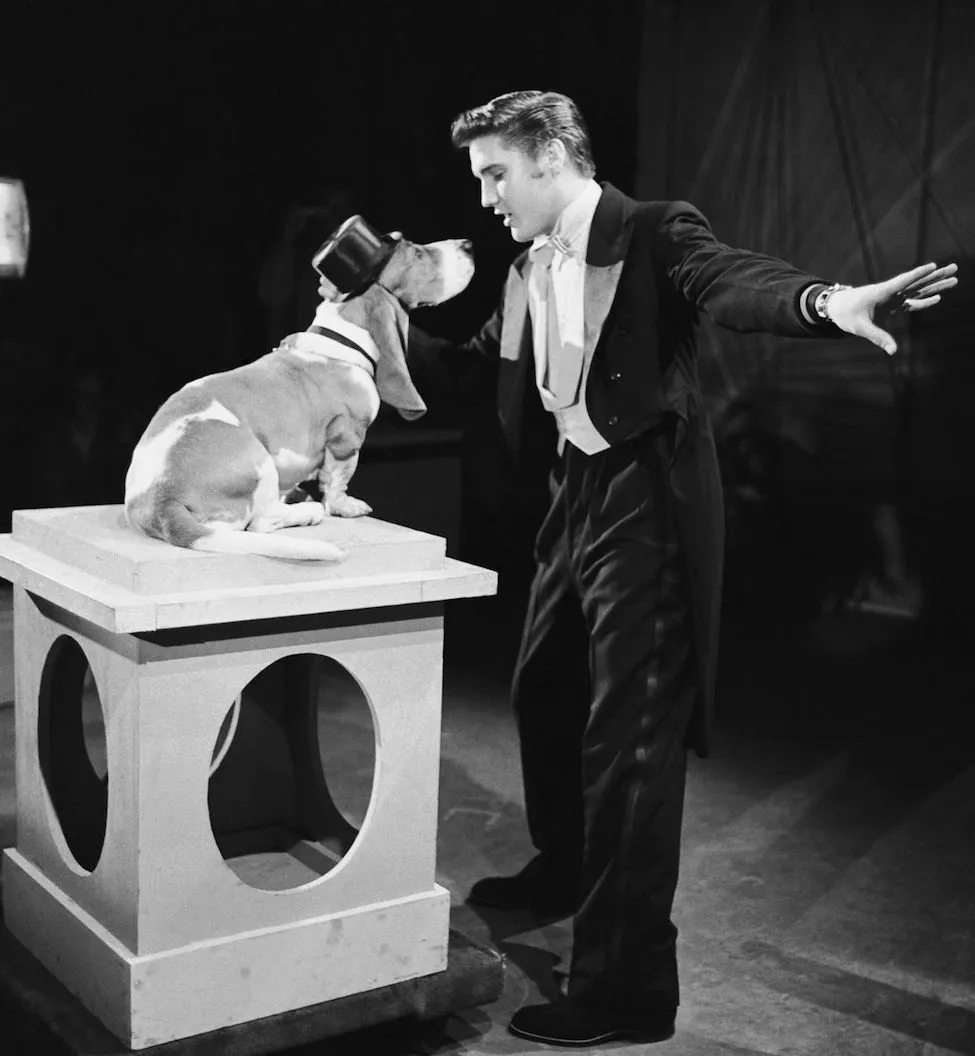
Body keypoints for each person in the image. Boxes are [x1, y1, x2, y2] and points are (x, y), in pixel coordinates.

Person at [348, 90, 958, 1048]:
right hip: (574, 493)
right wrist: (360, 320)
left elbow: (732, 282)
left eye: (496, 175)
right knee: (545, 691)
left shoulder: (652, 231)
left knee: (629, 744)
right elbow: (472, 365)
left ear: (551, 156)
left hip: (647, 499)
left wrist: (827, 302)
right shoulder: (527, 265)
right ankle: (565, 865)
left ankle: (627, 987)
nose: (486, 199)